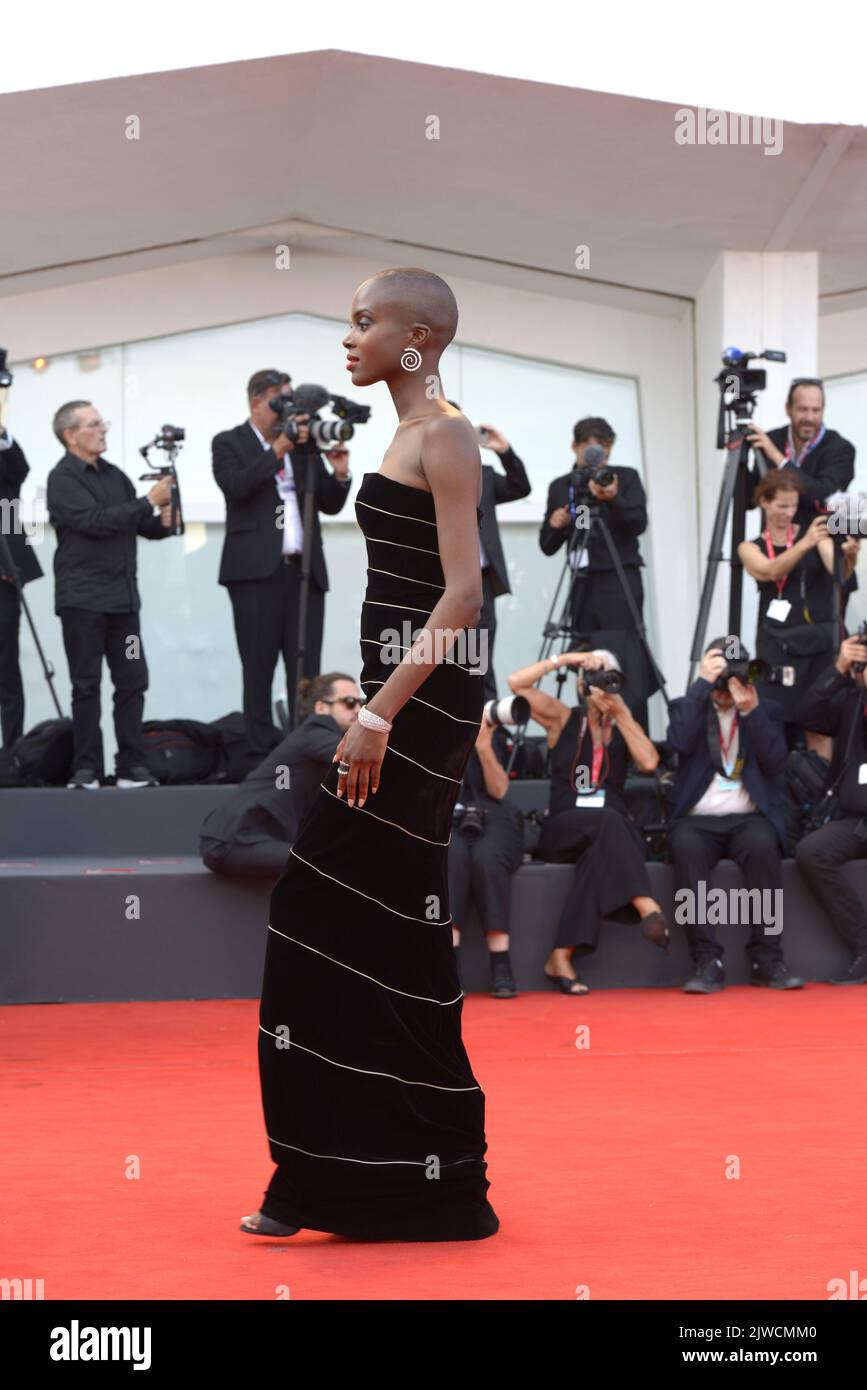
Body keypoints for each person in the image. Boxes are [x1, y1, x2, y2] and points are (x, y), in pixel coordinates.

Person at [243, 266, 499, 1243]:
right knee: (368, 925)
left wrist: (378, 713)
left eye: (366, 323)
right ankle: (352, 1178)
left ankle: (395, 1177)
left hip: (421, 708)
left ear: (419, 335)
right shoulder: (397, 434)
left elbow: (465, 594)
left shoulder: (446, 430)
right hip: (402, 698)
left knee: (321, 906)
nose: (348, 340)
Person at [507, 648, 669, 995]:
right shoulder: (563, 718)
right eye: (596, 675)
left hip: (608, 836)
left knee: (601, 851)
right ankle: (646, 905)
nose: (602, 683)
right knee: (611, 822)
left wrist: (622, 713)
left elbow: (651, 763)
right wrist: (567, 661)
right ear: (583, 684)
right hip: (563, 827)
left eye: (609, 676)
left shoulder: (622, 722)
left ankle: (560, 956)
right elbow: (515, 684)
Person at [212, 369, 353, 758]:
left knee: (306, 671)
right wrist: (278, 448)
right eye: (281, 401)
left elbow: (328, 502)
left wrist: (340, 473)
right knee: (257, 668)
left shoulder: (303, 446)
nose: (288, 410)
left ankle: (304, 747)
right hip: (255, 576)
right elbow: (237, 486)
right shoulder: (229, 442)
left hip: (304, 574)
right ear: (258, 402)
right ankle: (259, 756)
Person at [45, 401, 173, 788]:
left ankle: (131, 765)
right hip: (82, 602)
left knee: (132, 679)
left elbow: (142, 524)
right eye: (94, 424)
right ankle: (86, 767)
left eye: (103, 423)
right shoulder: (62, 478)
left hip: (123, 605)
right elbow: (93, 522)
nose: (103, 429)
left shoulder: (116, 476)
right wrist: (148, 501)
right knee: (86, 685)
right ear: (71, 434)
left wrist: (165, 517)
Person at [666, 638, 803, 994]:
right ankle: (706, 959)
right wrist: (700, 685)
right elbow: (677, 743)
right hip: (698, 818)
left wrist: (751, 712)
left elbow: (776, 763)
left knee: (763, 846)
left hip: (749, 816)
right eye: (722, 675)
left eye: (735, 674)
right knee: (685, 848)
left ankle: (767, 958)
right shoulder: (688, 705)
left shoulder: (766, 710)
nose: (728, 684)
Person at [538, 416, 657, 726]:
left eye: (602, 449)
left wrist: (613, 498)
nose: (595, 456)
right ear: (574, 447)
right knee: (585, 653)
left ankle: (633, 736)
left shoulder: (624, 478)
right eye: (588, 449)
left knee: (625, 653)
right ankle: (590, 734)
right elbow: (547, 545)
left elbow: (638, 524)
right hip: (581, 583)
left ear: (611, 449)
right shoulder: (563, 486)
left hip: (619, 579)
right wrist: (556, 525)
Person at [199, 672, 362, 878]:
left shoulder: (317, 739)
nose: (358, 710)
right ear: (321, 708)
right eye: (349, 702)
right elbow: (356, 758)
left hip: (251, 838)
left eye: (361, 703)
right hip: (233, 839)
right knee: (327, 861)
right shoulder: (317, 730)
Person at [737, 469, 858, 745]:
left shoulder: (816, 535)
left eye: (793, 505)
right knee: (773, 717)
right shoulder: (749, 546)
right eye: (782, 505)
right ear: (765, 502)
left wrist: (849, 556)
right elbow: (768, 571)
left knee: (820, 722)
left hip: (818, 642)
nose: (789, 513)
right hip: (777, 645)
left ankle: (821, 785)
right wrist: (804, 544)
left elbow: (839, 573)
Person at [794, 633, 867, 983]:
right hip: (855, 818)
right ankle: (864, 945)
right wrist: (839, 670)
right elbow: (806, 714)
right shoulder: (853, 701)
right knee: (812, 851)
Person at [446, 403, 531, 703]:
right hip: (440, 581)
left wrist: (504, 451)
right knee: (445, 660)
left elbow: (521, 487)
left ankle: (486, 731)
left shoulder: (482, 474)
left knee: (479, 660)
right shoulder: (417, 473)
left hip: (479, 579)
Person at [448, 718, 526, 998]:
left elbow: (499, 790)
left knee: (488, 858)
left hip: (493, 813)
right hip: (443, 810)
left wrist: (482, 745)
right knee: (451, 857)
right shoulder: (430, 725)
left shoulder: (494, 731)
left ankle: (501, 962)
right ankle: (449, 965)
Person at [746, 378, 856, 531]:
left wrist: (778, 459)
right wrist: (739, 459)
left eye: (816, 410)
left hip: (818, 546)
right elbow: (749, 501)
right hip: (774, 546)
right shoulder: (771, 440)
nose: (809, 418)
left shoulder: (841, 448)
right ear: (788, 409)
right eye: (803, 409)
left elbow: (825, 497)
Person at [0, 427, 44, 748]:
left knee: (7, 672)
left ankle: (12, 753)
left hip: (3, 578)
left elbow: (18, 469)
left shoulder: (5, 471)